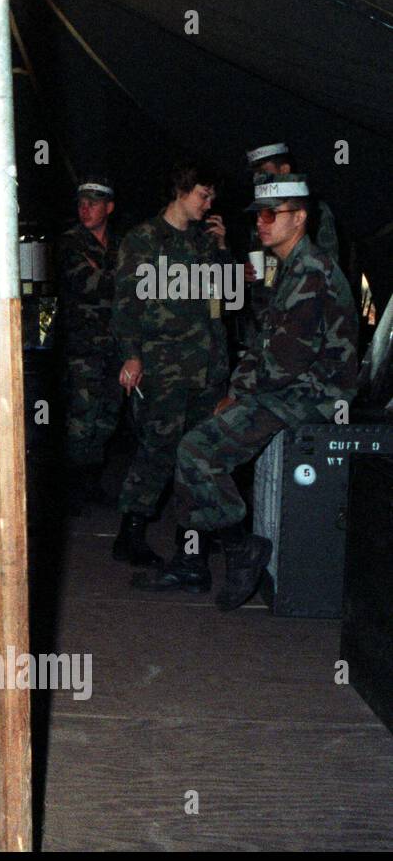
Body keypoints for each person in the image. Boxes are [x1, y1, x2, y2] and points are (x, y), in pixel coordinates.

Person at [137, 174, 359, 608]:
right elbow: (263, 346)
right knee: (195, 449)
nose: (261, 223)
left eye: (271, 214)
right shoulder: (291, 269)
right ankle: (193, 560)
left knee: (197, 450)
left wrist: (239, 394)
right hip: (286, 388)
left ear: (299, 219)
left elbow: (285, 362)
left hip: (312, 395)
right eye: (259, 215)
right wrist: (238, 388)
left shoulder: (311, 272)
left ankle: (241, 549)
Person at [110, 160, 232, 566]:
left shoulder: (202, 242)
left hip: (204, 366)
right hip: (162, 366)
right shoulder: (143, 240)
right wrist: (131, 355)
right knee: (158, 450)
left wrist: (222, 250)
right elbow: (127, 303)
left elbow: (224, 303)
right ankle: (130, 533)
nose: (209, 202)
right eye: (203, 194)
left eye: (212, 195)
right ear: (182, 191)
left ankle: (192, 539)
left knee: (198, 453)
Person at [57, 176, 122, 506]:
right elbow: (91, 282)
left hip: (115, 346)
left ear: (108, 208)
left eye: (93, 204)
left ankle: (91, 484)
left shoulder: (120, 244)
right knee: (80, 419)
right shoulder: (70, 243)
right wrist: (124, 278)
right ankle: (71, 490)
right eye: (81, 203)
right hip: (82, 347)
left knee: (107, 417)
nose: (85, 209)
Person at [245, 143, 339, 267]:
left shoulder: (317, 209)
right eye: (255, 174)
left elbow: (329, 263)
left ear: (284, 170)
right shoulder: (260, 208)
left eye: (263, 172)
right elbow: (269, 258)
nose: (257, 178)